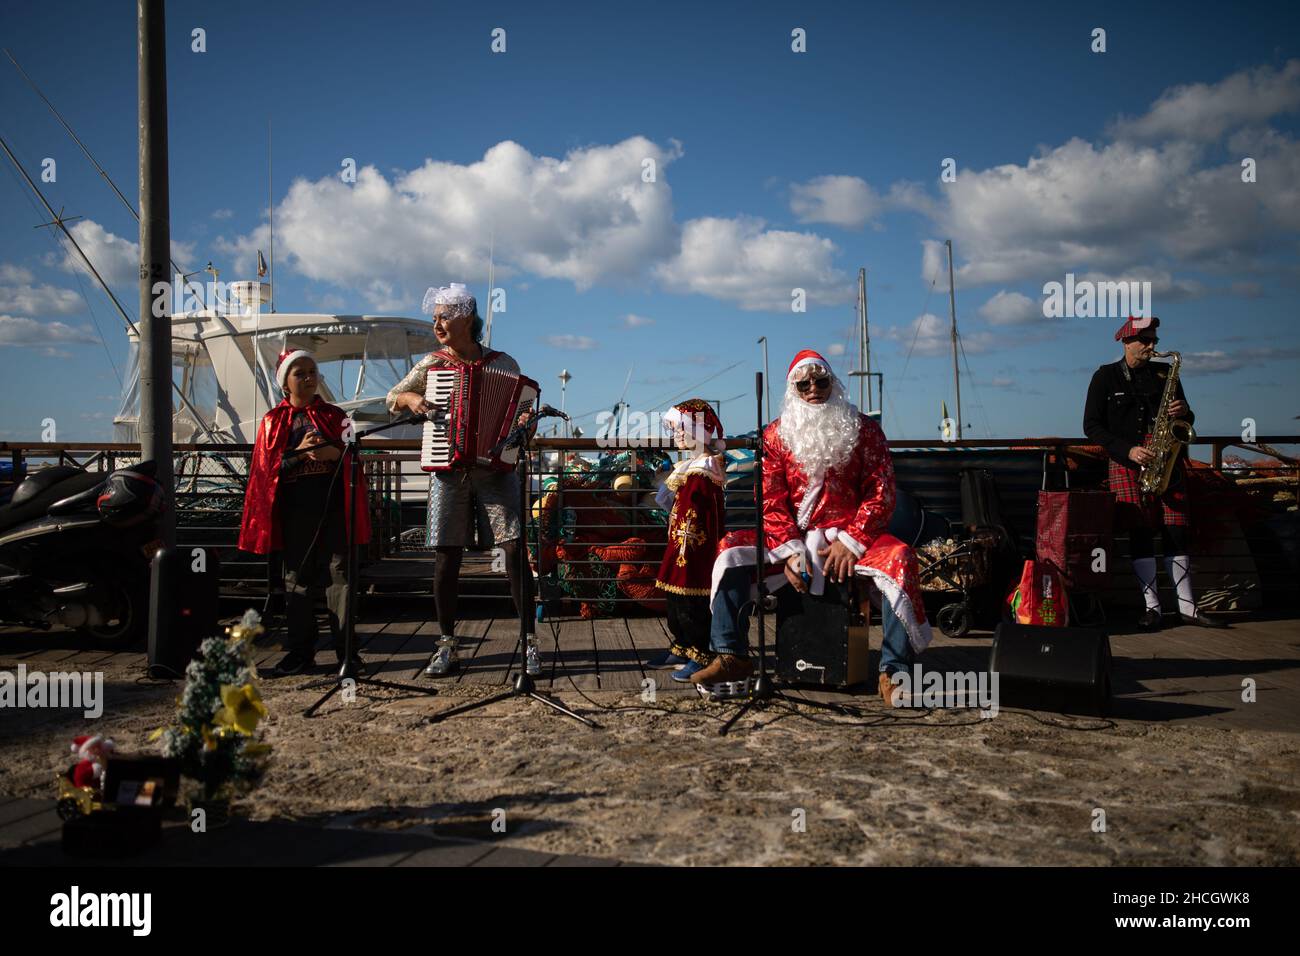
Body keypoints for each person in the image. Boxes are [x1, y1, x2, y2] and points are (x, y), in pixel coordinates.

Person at [704, 350, 932, 700]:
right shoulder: (775, 436)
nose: (813, 388)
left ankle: (894, 671)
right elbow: (770, 499)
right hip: (794, 536)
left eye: (821, 381)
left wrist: (852, 541)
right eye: (804, 383)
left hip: (854, 535)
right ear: (792, 388)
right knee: (730, 549)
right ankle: (732, 654)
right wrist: (791, 551)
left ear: (833, 383)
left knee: (900, 558)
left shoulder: (865, 430)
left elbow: (881, 490)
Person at [387, 283, 543, 676]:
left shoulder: (504, 364)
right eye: (435, 316)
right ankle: (447, 644)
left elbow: (522, 411)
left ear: (467, 319)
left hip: (494, 469)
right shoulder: (431, 365)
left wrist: (525, 426)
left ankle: (529, 642)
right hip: (448, 468)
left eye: (444, 316)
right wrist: (413, 400)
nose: (436, 323)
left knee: (513, 550)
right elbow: (392, 398)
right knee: (446, 556)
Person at [1083, 316, 1226, 629]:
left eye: (1154, 341)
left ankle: (1188, 607)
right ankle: (1153, 608)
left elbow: (1185, 420)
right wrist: (1128, 450)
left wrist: (1185, 411)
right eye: (1145, 341)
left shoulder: (1165, 374)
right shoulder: (1105, 377)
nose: (1151, 347)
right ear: (1126, 342)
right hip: (1128, 459)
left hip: (1166, 458)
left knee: (1177, 529)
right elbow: (1091, 426)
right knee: (1140, 530)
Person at [239, 349, 370, 676]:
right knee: (297, 581)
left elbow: (356, 460)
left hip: (334, 507)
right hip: (295, 510)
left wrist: (330, 451)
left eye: (313, 371)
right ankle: (301, 652)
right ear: (286, 382)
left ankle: (347, 653)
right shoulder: (273, 421)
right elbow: (267, 470)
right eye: (301, 373)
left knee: (340, 579)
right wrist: (299, 454)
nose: (310, 377)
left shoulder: (335, 416)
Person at [649, 399, 729, 681]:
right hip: (681, 543)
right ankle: (682, 645)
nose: (676, 436)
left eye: (682, 430)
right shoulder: (690, 465)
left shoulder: (706, 469)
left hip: (696, 548)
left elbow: (704, 515)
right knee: (675, 601)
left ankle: (702, 652)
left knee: (692, 601)